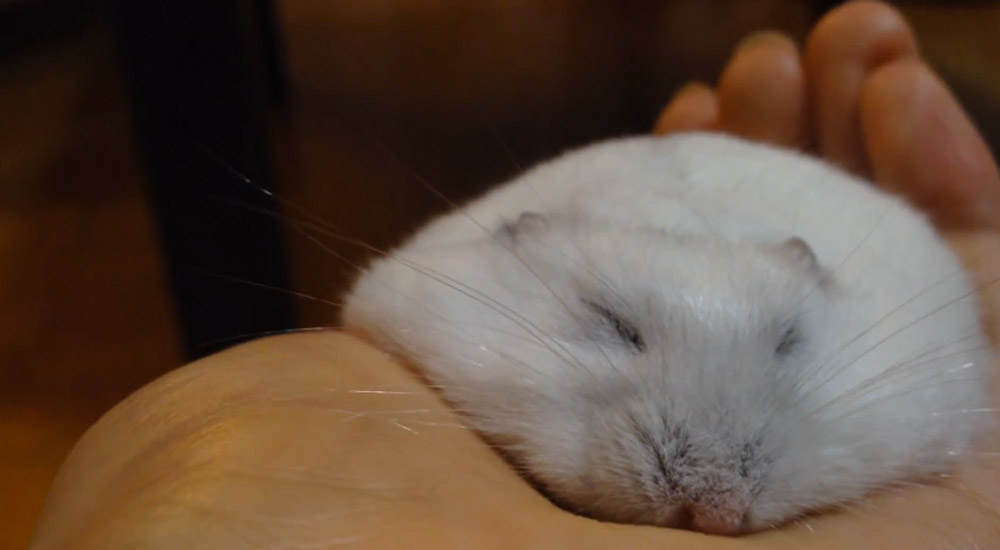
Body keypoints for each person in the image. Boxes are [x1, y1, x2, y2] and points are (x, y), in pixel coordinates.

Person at [30, 2, 1000, 548]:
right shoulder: (478, 272)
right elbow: (391, 294)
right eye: (618, 329)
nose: (713, 495)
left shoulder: (891, 314)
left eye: (787, 342)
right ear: (521, 259)